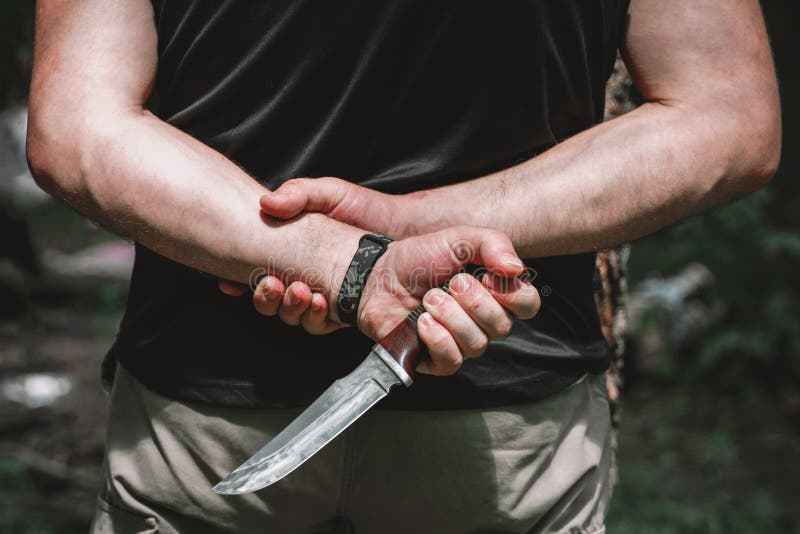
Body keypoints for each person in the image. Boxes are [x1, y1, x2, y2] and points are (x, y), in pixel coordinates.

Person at [27, 0, 779, 532]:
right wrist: (375, 256)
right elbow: (723, 115)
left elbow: (79, 127)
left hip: (211, 426)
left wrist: (341, 258)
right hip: (498, 443)